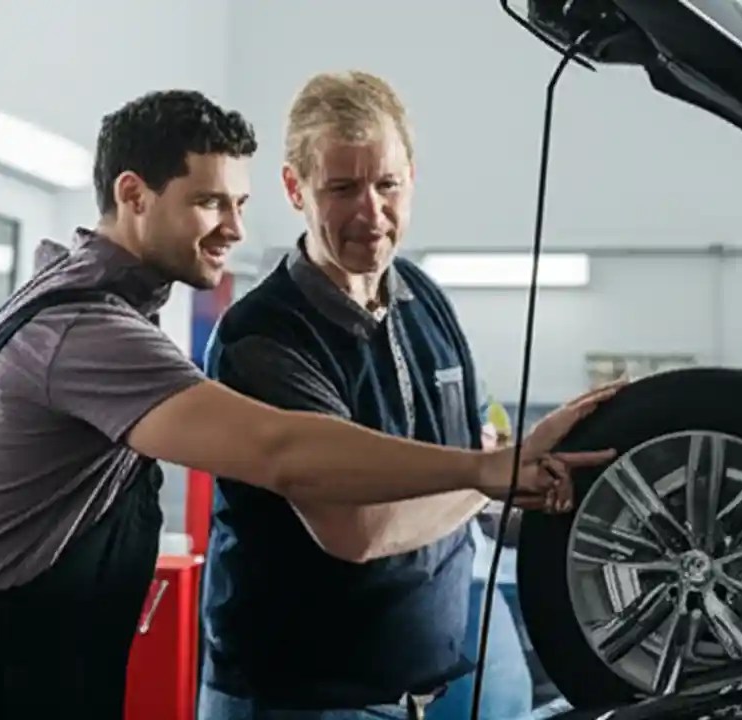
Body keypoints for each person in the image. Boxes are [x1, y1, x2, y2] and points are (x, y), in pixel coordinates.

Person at [0, 90, 615, 719]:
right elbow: (284, 451)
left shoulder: (97, 309)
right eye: (210, 202)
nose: (235, 229)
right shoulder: (94, 332)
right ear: (133, 196)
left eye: (237, 203)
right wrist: (484, 473)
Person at [197, 70, 603, 720]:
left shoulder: (425, 301)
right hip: (297, 704)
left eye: (387, 184)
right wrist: (491, 477)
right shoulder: (266, 337)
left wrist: (579, 494)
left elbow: (479, 473)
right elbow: (356, 529)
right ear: (294, 187)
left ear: (411, 175)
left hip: (418, 697)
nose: (371, 212)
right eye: (342, 188)